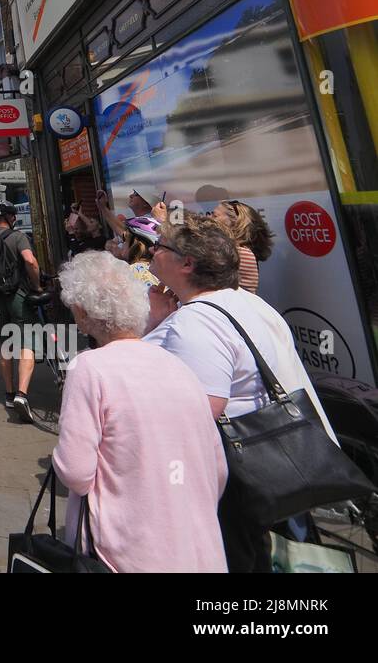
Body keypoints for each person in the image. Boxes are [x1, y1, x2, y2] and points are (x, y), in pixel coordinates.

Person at [144, 213, 339, 572]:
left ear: (186, 264)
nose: (152, 251)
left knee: (237, 558)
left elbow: (199, 414)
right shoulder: (247, 303)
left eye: (160, 247)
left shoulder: (196, 321)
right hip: (274, 464)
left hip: (233, 476)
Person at [52, 251, 228, 572]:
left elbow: (75, 473)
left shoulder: (90, 368)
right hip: (200, 550)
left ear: (81, 313)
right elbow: (217, 470)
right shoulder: (179, 366)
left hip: (127, 551)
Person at [0, 202, 42, 422]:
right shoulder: (17, 237)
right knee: (28, 340)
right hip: (17, 295)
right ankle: (22, 394)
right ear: (10, 217)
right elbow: (30, 260)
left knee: (5, 343)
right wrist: (36, 285)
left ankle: (8, 393)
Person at [213, 199, 273, 294]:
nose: (209, 219)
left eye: (215, 216)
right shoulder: (233, 251)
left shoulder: (241, 254)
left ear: (235, 222)